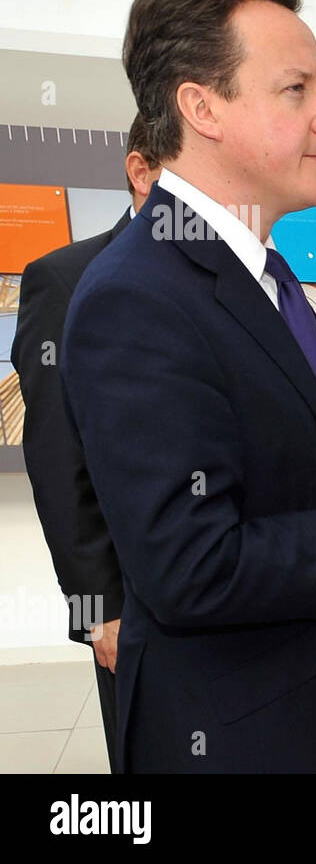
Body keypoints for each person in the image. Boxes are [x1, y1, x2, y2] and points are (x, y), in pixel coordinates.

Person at [60, 0, 316, 773]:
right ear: (202, 108)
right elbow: (189, 569)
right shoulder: (137, 295)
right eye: (296, 90)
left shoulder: (260, 272)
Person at [11, 114, 160, 773]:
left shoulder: (238, 282)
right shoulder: (65, 279)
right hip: (138, 604)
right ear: (141, 172)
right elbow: (56, 456)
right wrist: (100, 611)